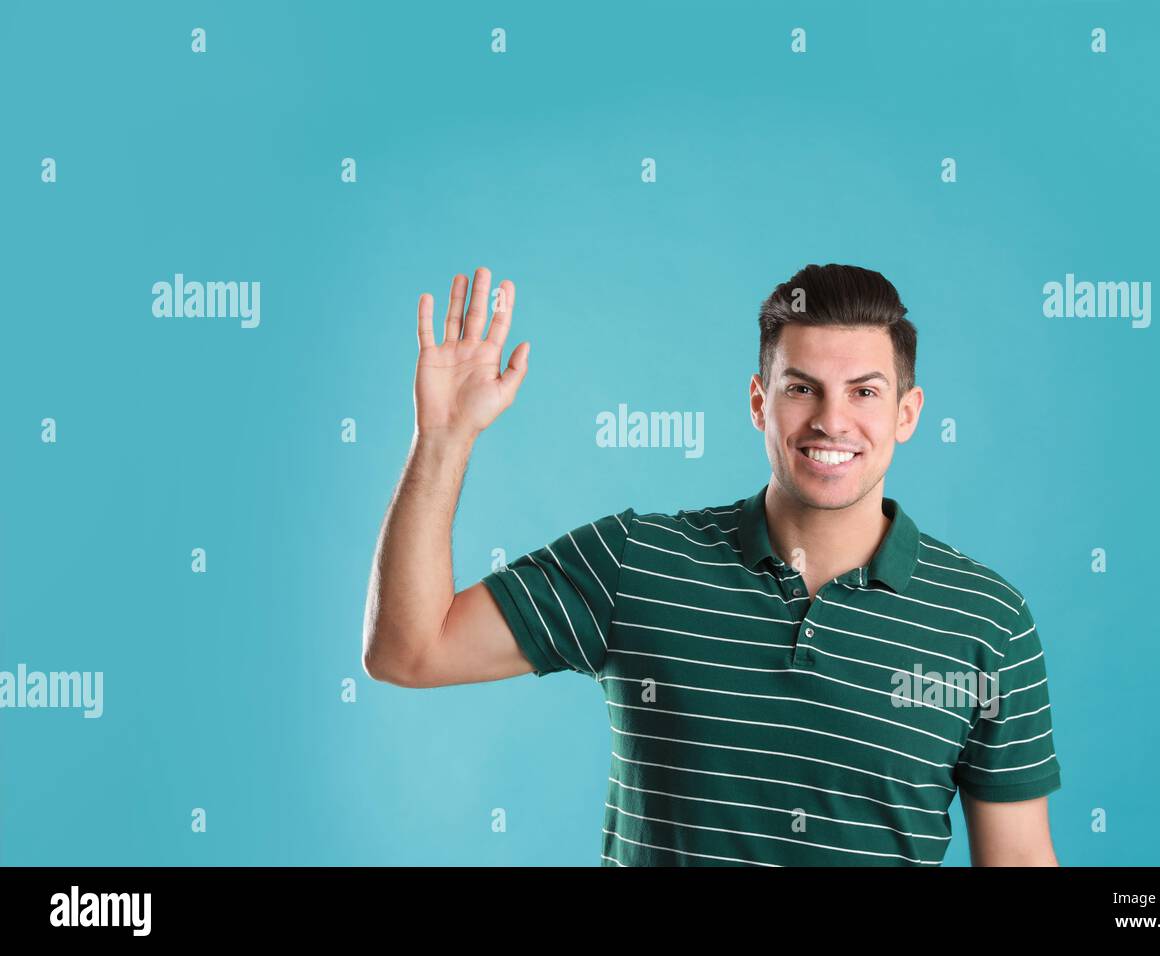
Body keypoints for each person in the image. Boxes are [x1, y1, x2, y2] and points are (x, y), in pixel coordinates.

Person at [362, 263, 1062, 866]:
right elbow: (408, 650)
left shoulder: (986, 620)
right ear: (759, 402)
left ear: (908, 413)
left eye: (865, 392)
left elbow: (1021, 858)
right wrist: (443, 439)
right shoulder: (636, 560)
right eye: (801, 388)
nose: (832, 420)